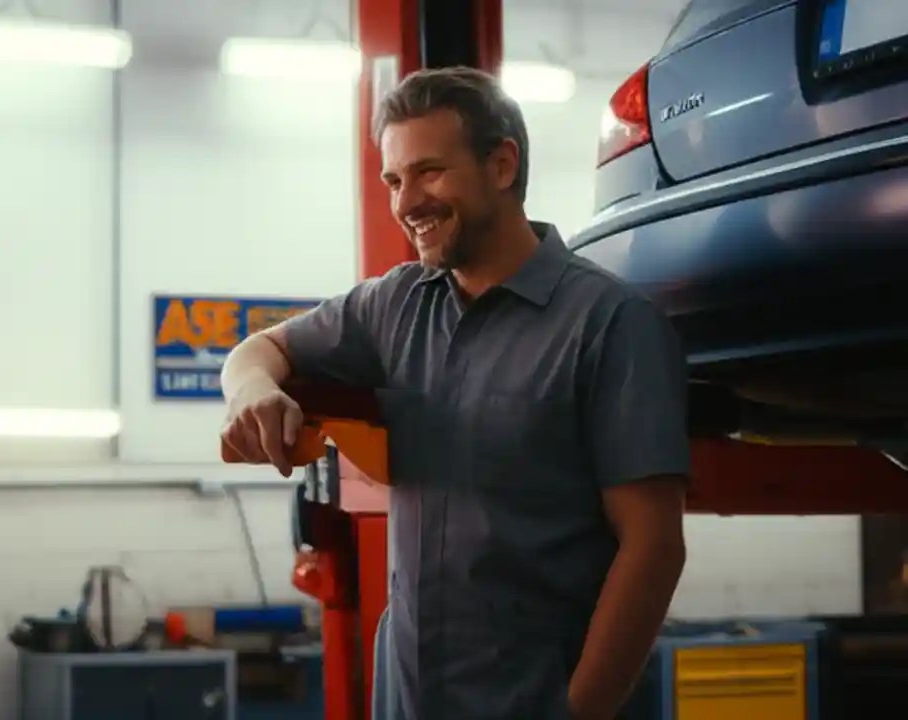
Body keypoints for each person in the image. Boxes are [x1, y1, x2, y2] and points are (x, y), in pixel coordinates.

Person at [220, 67, 689, 720]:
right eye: (393, 179)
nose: (406, 201)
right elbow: (256, 352)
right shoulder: (397, 305)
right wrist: (252, 394)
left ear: (501, 165)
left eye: (428, 172)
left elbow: (654, 546)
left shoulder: (608, 324)